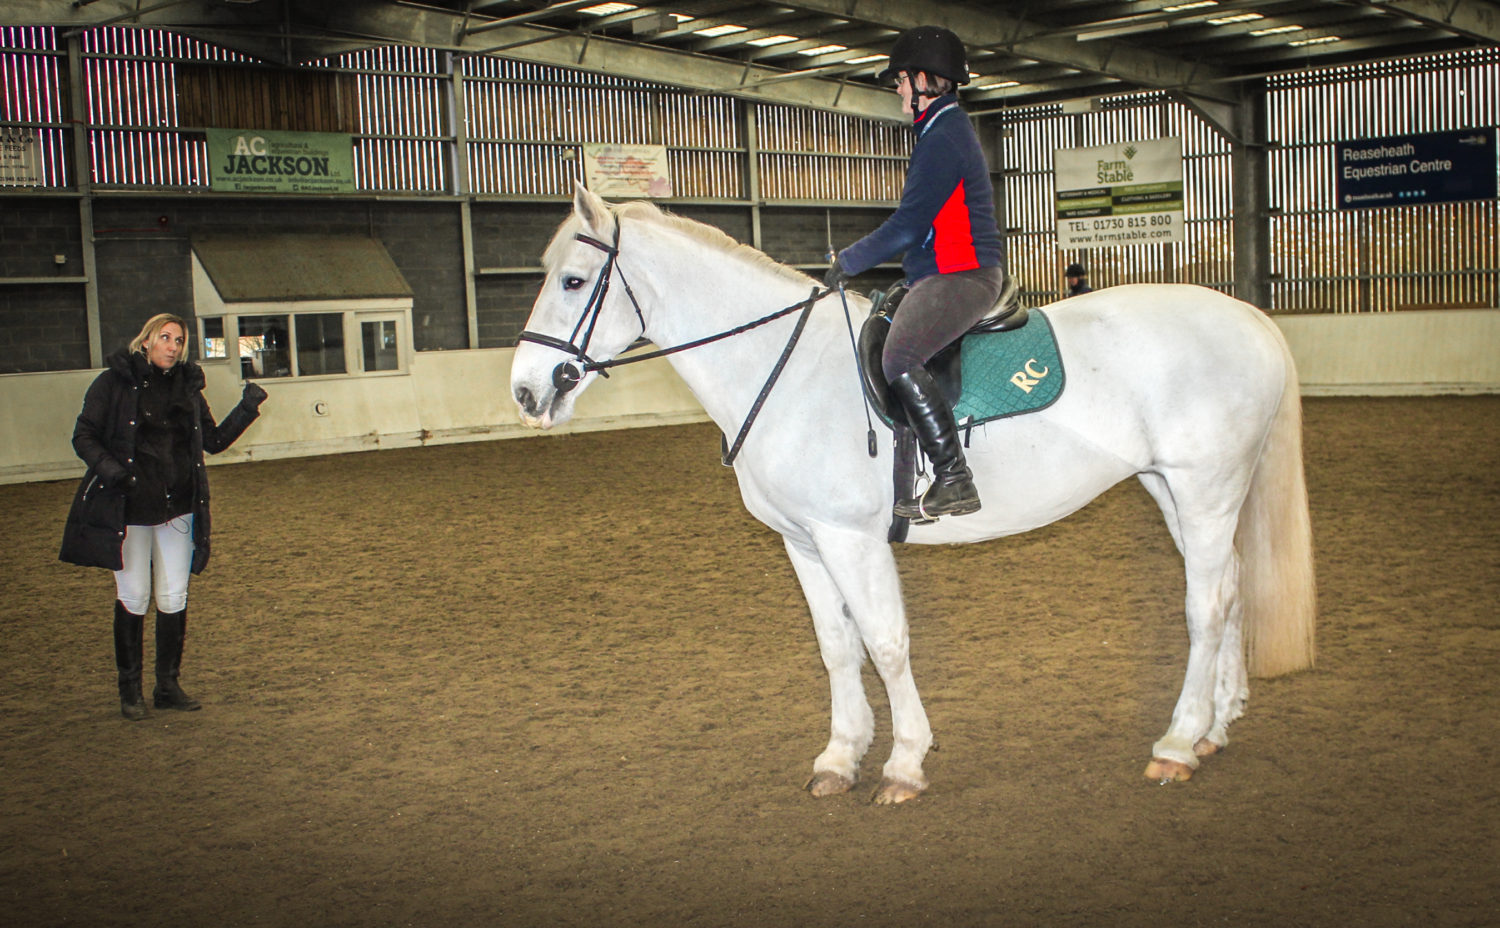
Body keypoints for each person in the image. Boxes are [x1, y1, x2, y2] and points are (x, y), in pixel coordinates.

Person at [824, 25, 1005, 520]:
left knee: (901, 354)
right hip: (938, 273)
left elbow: (908, 226)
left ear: (925, 79)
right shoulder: (937, 130)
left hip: (963, 275)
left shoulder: (945, 135)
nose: (898, 89)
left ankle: (953, 476)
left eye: (901, 79)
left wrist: (850, 260)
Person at [60, 313, 267, 720]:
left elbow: (214, 441)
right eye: (166, 338)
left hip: (179, 508)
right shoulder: (112, 382)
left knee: (174, 596)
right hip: (129, 508)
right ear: (147, 340)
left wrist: (247, 408)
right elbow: (84, 435)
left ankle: (167, 685)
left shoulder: (187, 387)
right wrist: (114, 473)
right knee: (134, 596)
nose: (173, 346)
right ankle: (130, 691)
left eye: (179, 340)